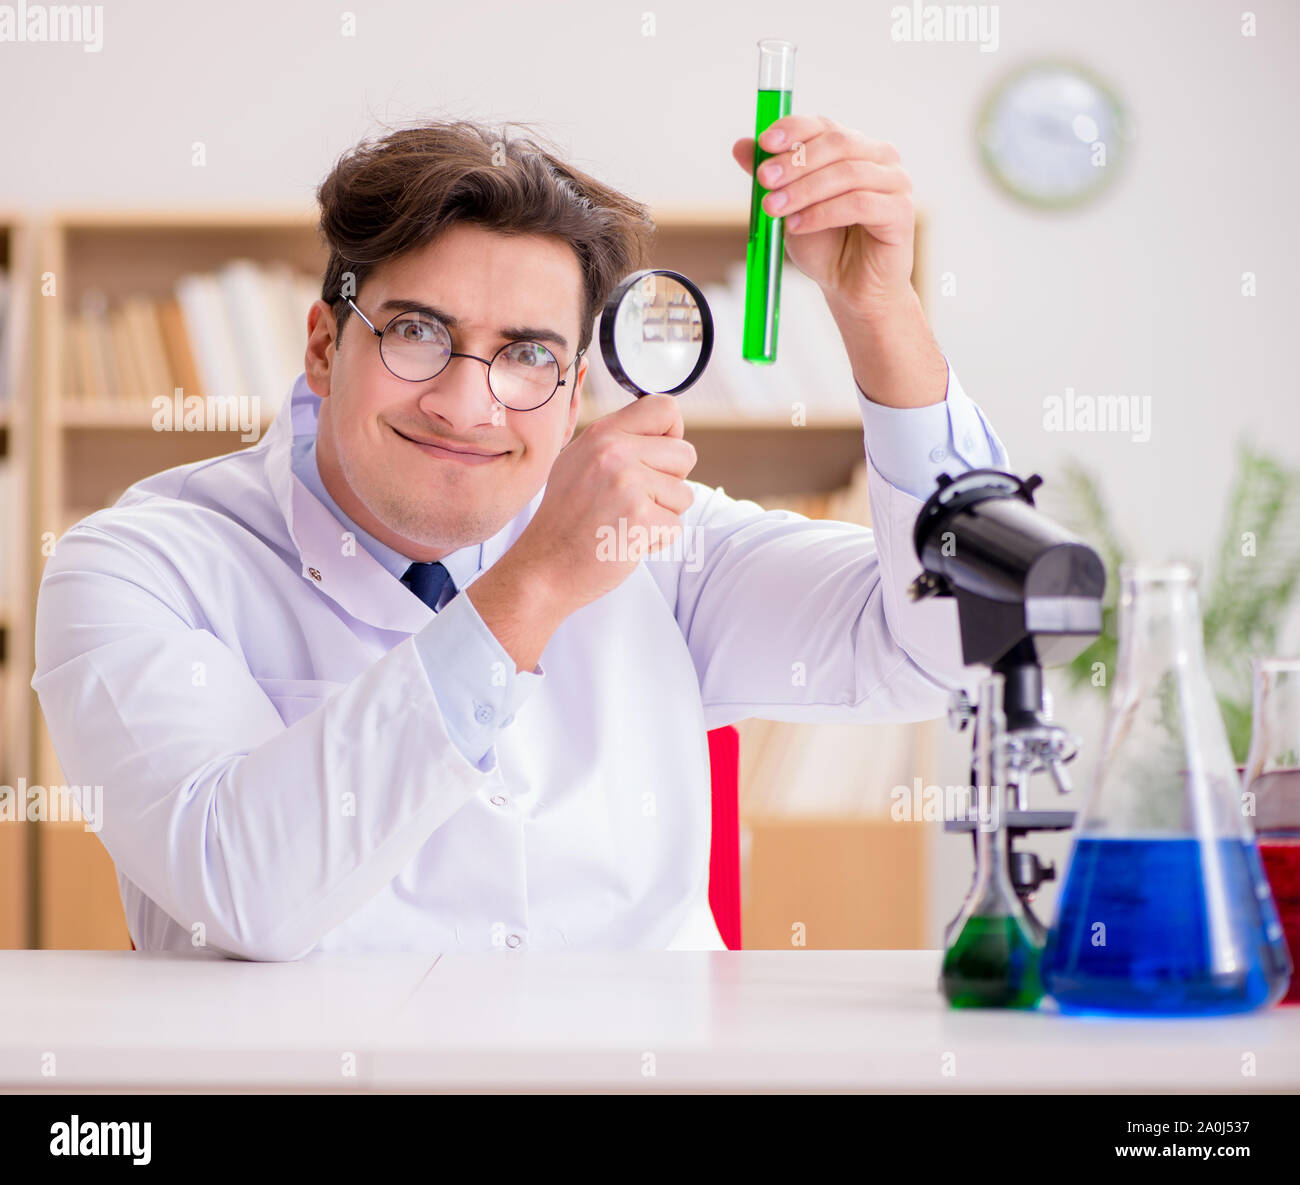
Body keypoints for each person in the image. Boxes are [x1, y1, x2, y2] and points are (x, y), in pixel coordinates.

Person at [31, 116, 1008, 960]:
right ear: (325, 347)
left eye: (529, 354)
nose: (468, 403)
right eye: (415, 333)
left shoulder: (663, 545)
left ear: (576, 390)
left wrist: (879, 309)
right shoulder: (139, 567)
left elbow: (956, 645)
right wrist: (534, 589)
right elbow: (243, 891)